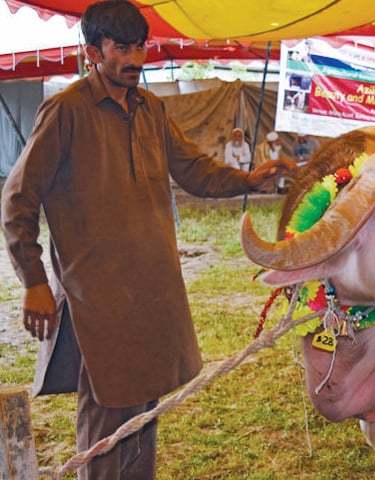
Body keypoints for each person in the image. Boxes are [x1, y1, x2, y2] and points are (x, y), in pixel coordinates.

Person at [0, 2, 282, 479]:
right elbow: (17, 200)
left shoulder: (151, 108)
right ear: (94, 52)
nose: (136, 59)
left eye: (141, 47)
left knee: (144, 404)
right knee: (110, 406)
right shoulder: (65, 111)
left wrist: (249, 179)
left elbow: (194, 171)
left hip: (151, 288)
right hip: (98, 294)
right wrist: (35, 282)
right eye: (123, 49)